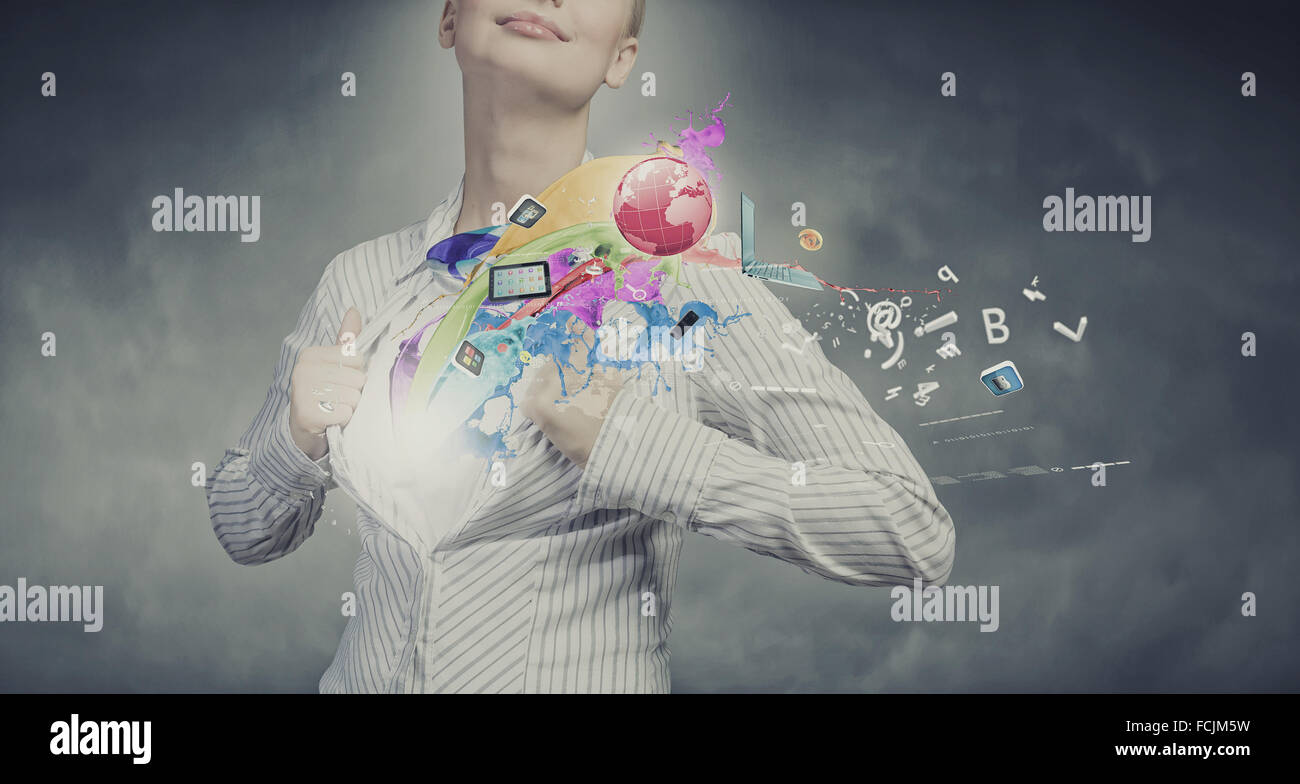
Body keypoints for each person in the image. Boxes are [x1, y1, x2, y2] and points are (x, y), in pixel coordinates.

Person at [207, 0, 955, 694]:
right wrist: (296, 438)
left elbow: (910, 529)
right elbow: (243, 531)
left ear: (622, 59)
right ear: (448, 18)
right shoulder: (361, 279)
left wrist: (628, 446)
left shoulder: (681, 283)